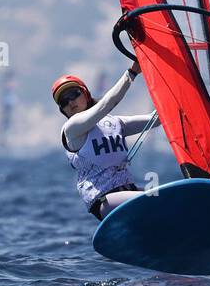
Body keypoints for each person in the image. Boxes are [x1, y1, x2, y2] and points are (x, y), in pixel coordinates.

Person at [54, 64, 160, 220]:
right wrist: (131, 73)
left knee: (169, 198)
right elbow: (107, 104)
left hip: (129, 192)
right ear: (62, 110)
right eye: (63, 101)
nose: (70, 102)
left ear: (85, 94)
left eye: (74, 94)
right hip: (105, 202)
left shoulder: (114, 122)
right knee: (156, 201)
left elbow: (155, 120)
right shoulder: (72, 128)